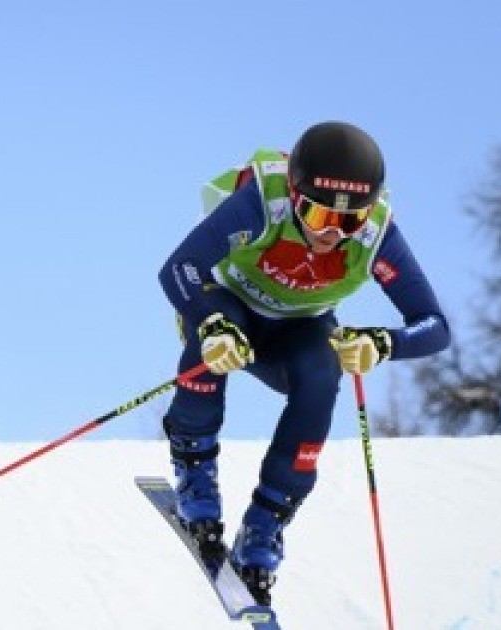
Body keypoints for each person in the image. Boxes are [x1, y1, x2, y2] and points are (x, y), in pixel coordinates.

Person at [156, 121, 450, 604]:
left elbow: (434, 324)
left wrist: (383, 342)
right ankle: (194, 470)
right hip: (233, 307)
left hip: (297, 331)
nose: (333, 234)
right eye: (318, 217)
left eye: (349, 221)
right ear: (295, 196)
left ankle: (264, 528)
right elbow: (179, 268)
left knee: (323, 370)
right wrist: (208, 321)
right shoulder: (263, 201)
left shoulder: (376, 232)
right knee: (213, 343)